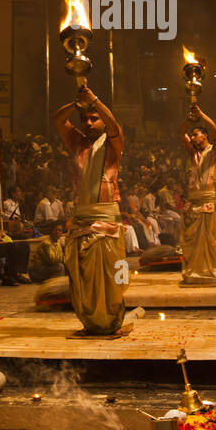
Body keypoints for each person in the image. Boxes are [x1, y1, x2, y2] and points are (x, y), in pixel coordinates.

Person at [52, 84, 127, 336]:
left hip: (106, 217)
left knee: (112, 274)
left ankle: (111, 319)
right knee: (82, 276)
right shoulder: (77, 142)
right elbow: (58, 119)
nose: (88, 123)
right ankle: (91, 321)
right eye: (84, 120)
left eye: (94, 119)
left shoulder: (113, 140)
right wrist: (78, 104)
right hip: (82, 217)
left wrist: (94, 100)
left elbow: (113, 124)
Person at [177, 102, 216, 286]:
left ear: (205, 135)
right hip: (193, 200)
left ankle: (209, 272)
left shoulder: (214, 150)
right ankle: (193, 272)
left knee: (210, 240)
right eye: (192, 135)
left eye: (196, 134)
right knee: (191, 242)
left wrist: (201, 114)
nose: (193, 138)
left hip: (207, 200)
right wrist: (189, 120)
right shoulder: (192, 153)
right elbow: (181, 134)